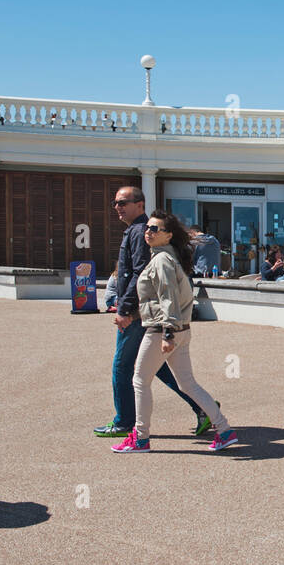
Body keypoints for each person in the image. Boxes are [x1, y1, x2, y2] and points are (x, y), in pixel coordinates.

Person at [115, 211, 236, 452]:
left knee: (140, 380)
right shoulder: (167, 258)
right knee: (187, 383)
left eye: (155, 229)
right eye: (148, 228)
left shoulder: (161, 260)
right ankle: (224, 430)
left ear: (168, 236)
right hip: (178, 329)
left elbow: (167, 297)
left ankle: (140, 438)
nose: (148, 232)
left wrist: (167, 333)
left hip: (162, 329)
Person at [95, 186, 209, 440]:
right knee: (158, 368)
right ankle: (203, 408)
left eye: (123, 202)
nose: (118, 207)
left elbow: (137, 273)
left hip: (139, 314)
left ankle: (125, 422)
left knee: (123, 367)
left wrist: (125, 309)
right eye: (115, 203)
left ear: (140, 204)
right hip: (145, 313)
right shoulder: (141, 232)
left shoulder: (139, 232)